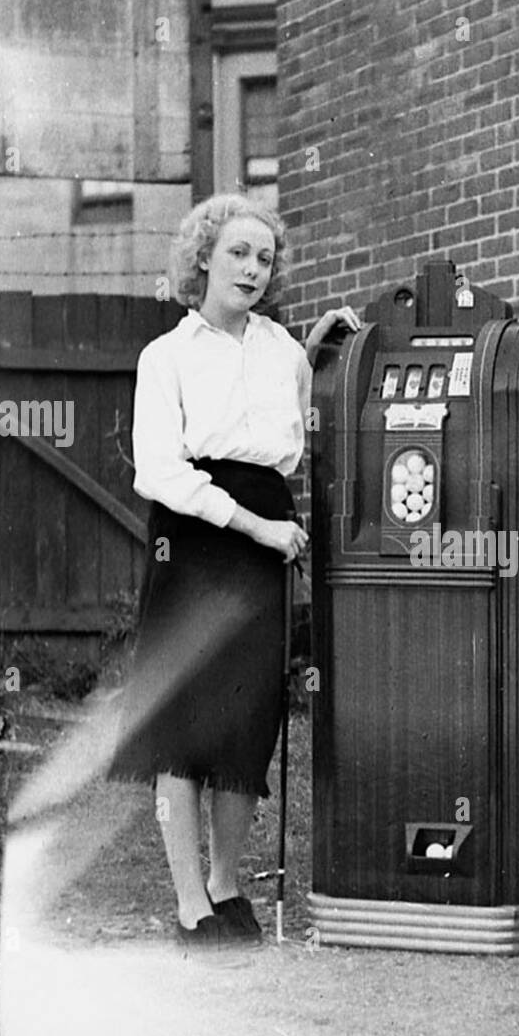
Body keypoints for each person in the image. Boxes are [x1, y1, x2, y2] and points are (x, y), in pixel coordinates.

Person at [109, 193, 361, 948]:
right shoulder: (168, 357)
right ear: (203, 260)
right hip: (195, 539)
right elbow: (159, 471)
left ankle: (225, 883)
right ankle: (191, 906)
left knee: (246, 721)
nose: (253, 269)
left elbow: (282, 444)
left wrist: (314, 346)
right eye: (238, 254)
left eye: (265, 258)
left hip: (265, 538)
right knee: (186, 724)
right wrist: (257, 525)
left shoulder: (281, 349)